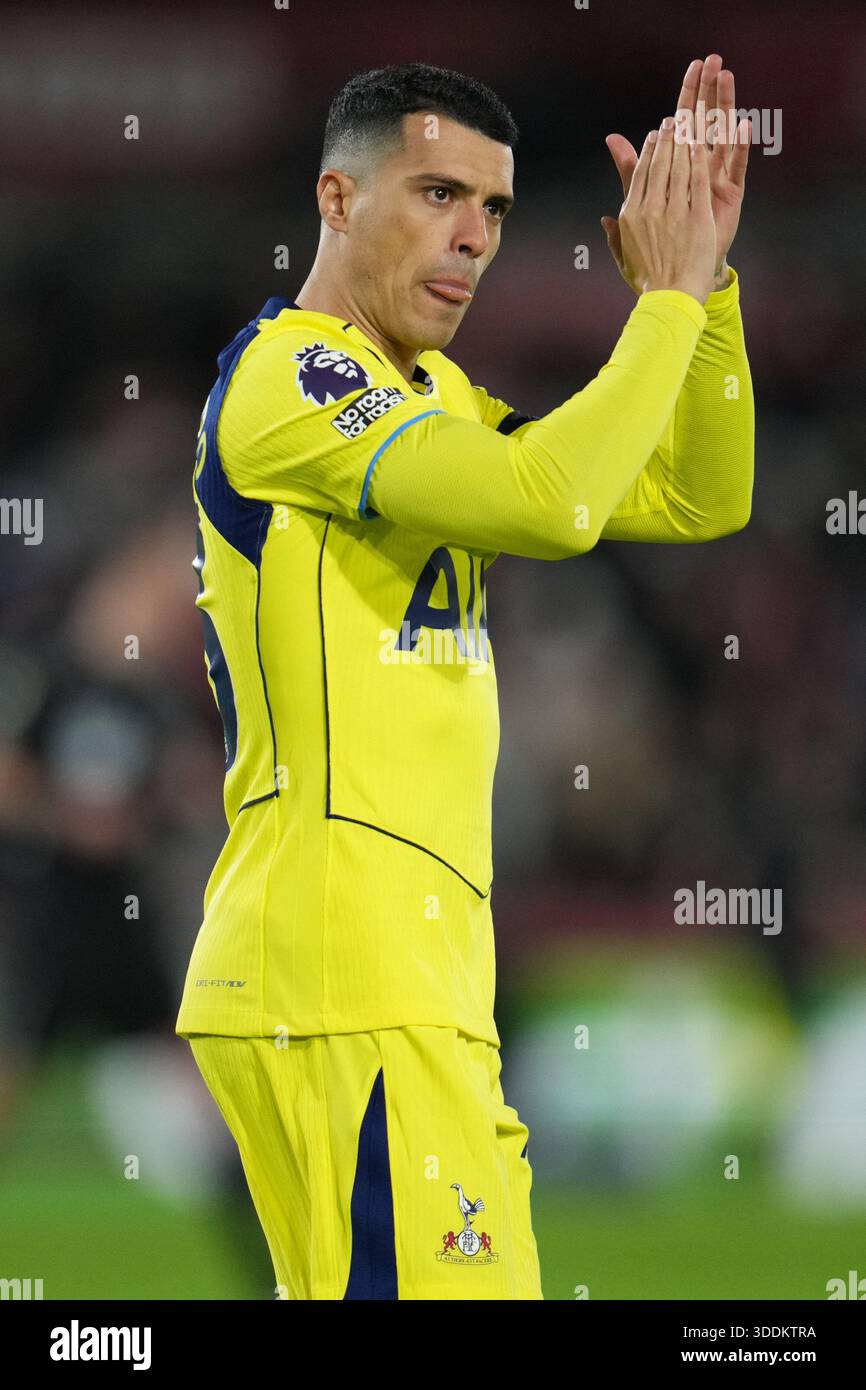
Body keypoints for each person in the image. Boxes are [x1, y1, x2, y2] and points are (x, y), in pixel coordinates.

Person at [175, 58, 754, 1300]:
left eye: (493, 209)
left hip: (419, 987)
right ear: (335, 198)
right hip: (335, 975)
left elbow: (697, 494)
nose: (473, 238)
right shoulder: (292, 378)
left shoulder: (427, 399)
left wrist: (705, 294)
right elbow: (551, 503)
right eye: (439, 193)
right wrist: (659, 304)